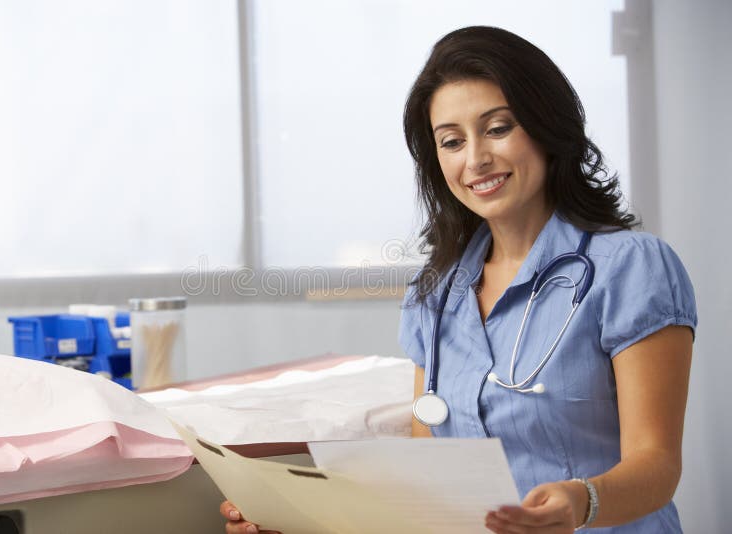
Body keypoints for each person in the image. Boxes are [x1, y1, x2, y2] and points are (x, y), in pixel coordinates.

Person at [221, 26, 696, 533]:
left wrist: (581, 501)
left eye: (497, 128)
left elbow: (657, 466)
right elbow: (430, 481)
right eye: (452, 141)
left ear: (546, 127)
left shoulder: (631, 267)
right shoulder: (437, 292)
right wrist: (294, 519)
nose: (475, 159)